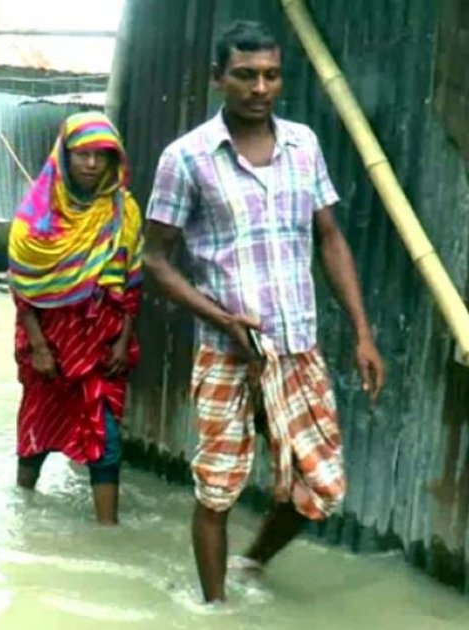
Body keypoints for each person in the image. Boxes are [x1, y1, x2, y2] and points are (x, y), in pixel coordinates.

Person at [143, 20, 386, 601]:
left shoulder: (303, 144)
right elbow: (153, 260)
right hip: (228, 351)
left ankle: (250, 565)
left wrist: (361, 332)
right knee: (218, 487)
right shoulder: (188, 158)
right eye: (246, 75)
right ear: (218, 79)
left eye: (271, 75)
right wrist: (220, 317)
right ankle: (215, 609)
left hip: (297, 346)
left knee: (322, 487)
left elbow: (328, 237)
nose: (260, 88)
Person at [8, 112, 143, 526]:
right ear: (64, 157)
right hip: (49, 340)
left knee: (106, 438)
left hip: (101, 342)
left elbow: (132, 279)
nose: (90, 164)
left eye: (100, 156)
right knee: (37, 433)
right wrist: (38, 346)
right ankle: (20, 509)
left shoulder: (124, 211)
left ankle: (107, 532)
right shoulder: (37, 214)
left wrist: (123, 340)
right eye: (81, 155)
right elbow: (23, 287)